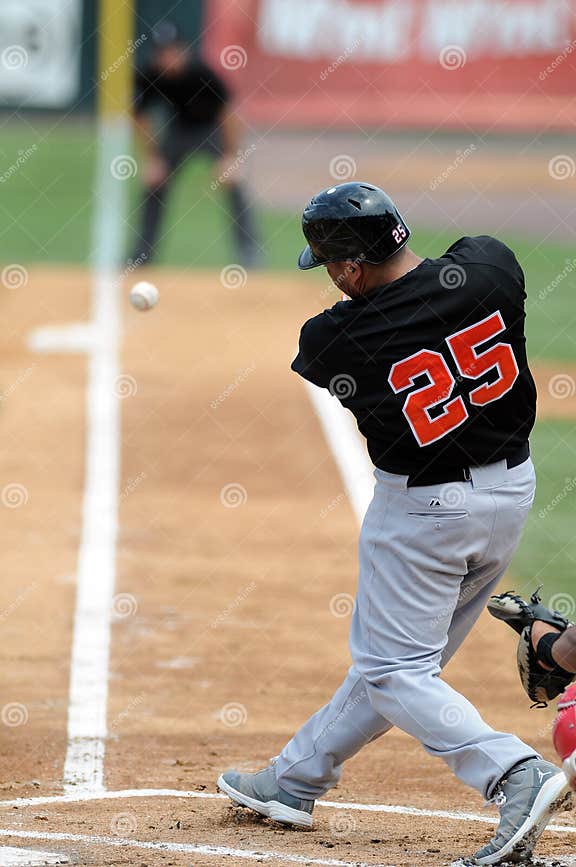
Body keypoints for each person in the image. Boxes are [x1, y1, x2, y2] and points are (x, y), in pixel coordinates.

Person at [217, 182, 572, 865]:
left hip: (425, 517)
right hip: (511, 495)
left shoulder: (332, 339)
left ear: (350, 267)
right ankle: (292, 780)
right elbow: (451, 275)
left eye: (329, 263)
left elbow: (339, 348)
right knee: (404, 665)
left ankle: (512, 773)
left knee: (392, 668)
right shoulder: (491, 267)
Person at [128, 24, 259, 268]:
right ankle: (141, 255)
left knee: (234, 183)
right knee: (154, 184)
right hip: (178, 130)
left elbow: (229, 116)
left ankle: (249, 254)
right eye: (161, 54)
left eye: (172, 52)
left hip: (212, 130)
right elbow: (139, 116)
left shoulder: (202, 73)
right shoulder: (149, 74)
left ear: (183, 51)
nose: (167, 59)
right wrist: (152, 158)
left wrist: (230, 157)